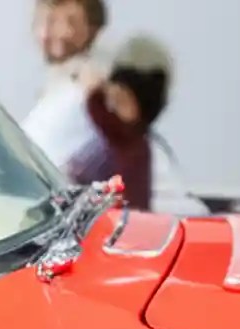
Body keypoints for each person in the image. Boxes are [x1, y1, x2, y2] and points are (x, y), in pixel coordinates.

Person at [67, 36, 173, 210]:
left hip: (128, 222)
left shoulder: (129, 140)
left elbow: (100, 115)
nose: (113, 109)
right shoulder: (130, 143)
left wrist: (93, 91)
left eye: (120, 101)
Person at [20, 0, 110, 168]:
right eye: (46, 21)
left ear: (93, 29)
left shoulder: (85, 92)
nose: (60, 33)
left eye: (72, 21)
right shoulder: (56, 91)